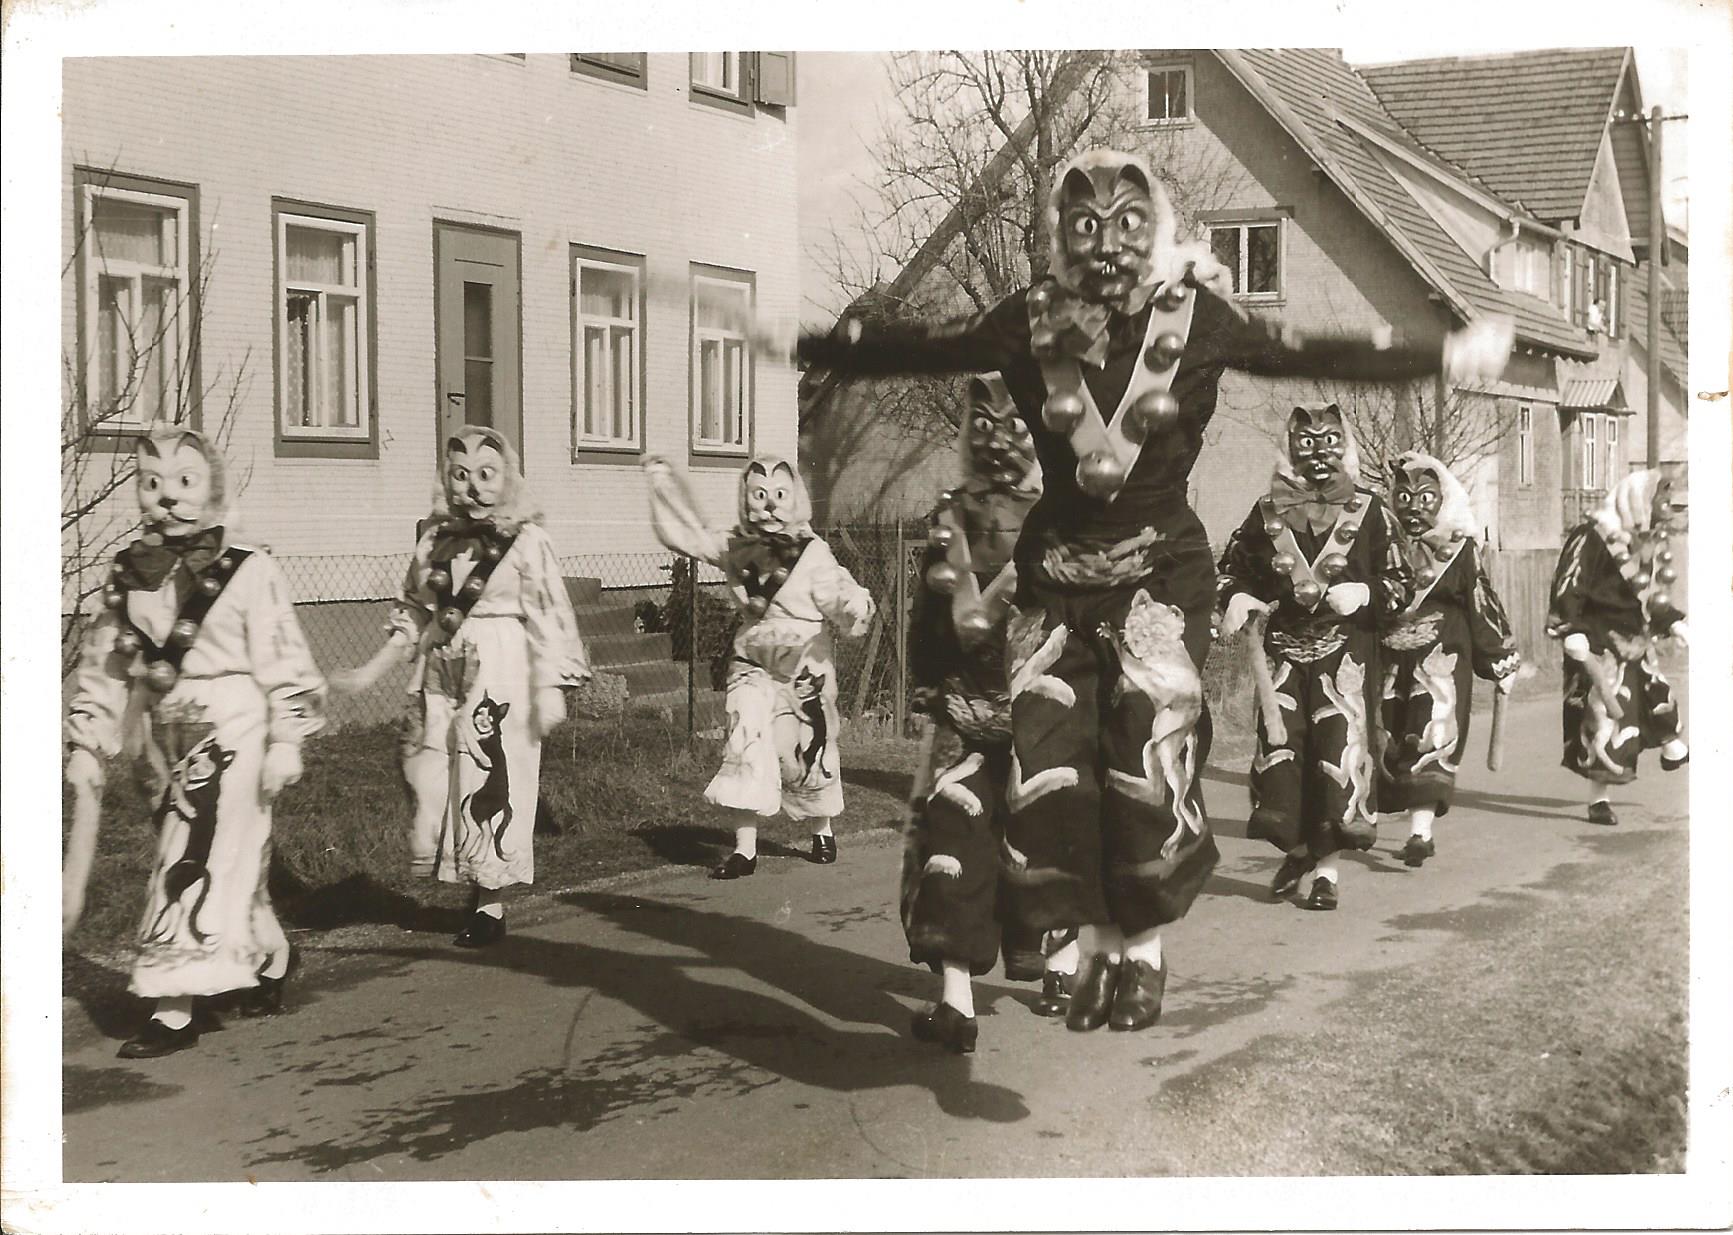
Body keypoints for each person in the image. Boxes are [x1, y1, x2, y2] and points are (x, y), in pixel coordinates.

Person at [799, 147, 1513, 1030]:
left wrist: (1439, 350)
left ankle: (1142, 951)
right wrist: (810, 343)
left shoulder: (1197, 320)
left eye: (1127, 224)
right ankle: (1089, 947)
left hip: (1160, 573)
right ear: (1061, 239)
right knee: (1049, 761)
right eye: (1085, 225)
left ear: (1159, 233)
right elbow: (928, 346)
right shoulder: (1028, 322)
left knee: (1144, 743)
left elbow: (1307, 352)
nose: (1106, 246)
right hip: (1056, 576)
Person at [65, 428, 326, 1058]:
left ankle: (174, 1005)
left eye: (185, 482)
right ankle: (270, 958)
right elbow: (106, 661)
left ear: (211, 488)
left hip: (233, 730)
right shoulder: (127, 573)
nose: (169, 498)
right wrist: (88, 734)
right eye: (153, 484)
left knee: (188, 857)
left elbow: (286, 656)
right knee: (227, 857)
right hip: (159, 740)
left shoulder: (248, 568)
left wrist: (288, 737)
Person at [335, 427, 591, 947]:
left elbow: (549, 611)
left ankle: (489, 903)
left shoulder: (526, 540)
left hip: (502, 662)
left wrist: (552, 685)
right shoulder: (433, 539)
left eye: (486, 473)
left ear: (508, 478)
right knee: (433, 767)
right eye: (461, 474)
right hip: (442, 663)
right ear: (446, 481)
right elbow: (412, 608)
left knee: (488, 770)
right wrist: (371, 668)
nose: (473, 486)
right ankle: (448, 861)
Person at [900, 374, 1055, 1052]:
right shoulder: (950, 515)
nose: (995, 440)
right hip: (968, 710)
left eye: (1013, 423)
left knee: (1044, 835)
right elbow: (928, 611)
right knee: (954, 841)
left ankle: (1058, 964)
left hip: (1041, 708)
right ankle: (957, 1003)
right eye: (982, 424)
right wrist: (926, 681)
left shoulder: (1058, 514)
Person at [642, 454, 875, 878]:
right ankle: (744, 849)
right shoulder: (737, 546)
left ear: (795, 499)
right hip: (753, 658)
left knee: (805, 747)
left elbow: (839, 597)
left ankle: (821, 828)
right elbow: (684, 536)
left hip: (804, 659)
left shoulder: (812, 552)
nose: (769, 504)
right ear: (747, 499)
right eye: (760, 494)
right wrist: (661, 484)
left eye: (779, 494)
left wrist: (852, 604)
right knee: (743, 740)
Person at [1217, 405, 1411, 910]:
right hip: (1281, 654)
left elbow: (1402, 583)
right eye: (1307, 444)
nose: (1319, 456)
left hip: (1346, 657)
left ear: (1344, 448)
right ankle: (1298, 850)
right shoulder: (1266, 512)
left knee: (1336, 758)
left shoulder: (1372, 511)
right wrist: (1237, 596)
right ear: (1290, 449)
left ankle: (1327, 872)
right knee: (1284, 762)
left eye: (1329, 443)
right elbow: (1232, 570)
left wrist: (1365, 593)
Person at [1377, 452, 1521, 866]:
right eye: (1404, 498)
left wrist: (1499, 659)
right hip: (1389, 658)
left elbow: (1481, 602)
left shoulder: (1459, 550)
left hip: (1442, 658)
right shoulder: (1380, 544)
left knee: (1432, 731)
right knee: (1386, 734)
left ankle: (1420, 833)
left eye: (1425, 499)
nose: (1414, 509)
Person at [1545, 469, 1689, 824]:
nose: (1666, 512)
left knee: (1656, 693)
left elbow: (1650, 593)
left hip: (1635, 638)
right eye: (1662, 502)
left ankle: (1673, 747)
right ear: (1640, 501)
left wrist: (1671, 620)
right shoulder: (1592, 536)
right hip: (1597, 639)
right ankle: (1598, 800)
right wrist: (1570, 628)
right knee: (1604, 717)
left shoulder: (1647, 541)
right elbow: (1569, 582)